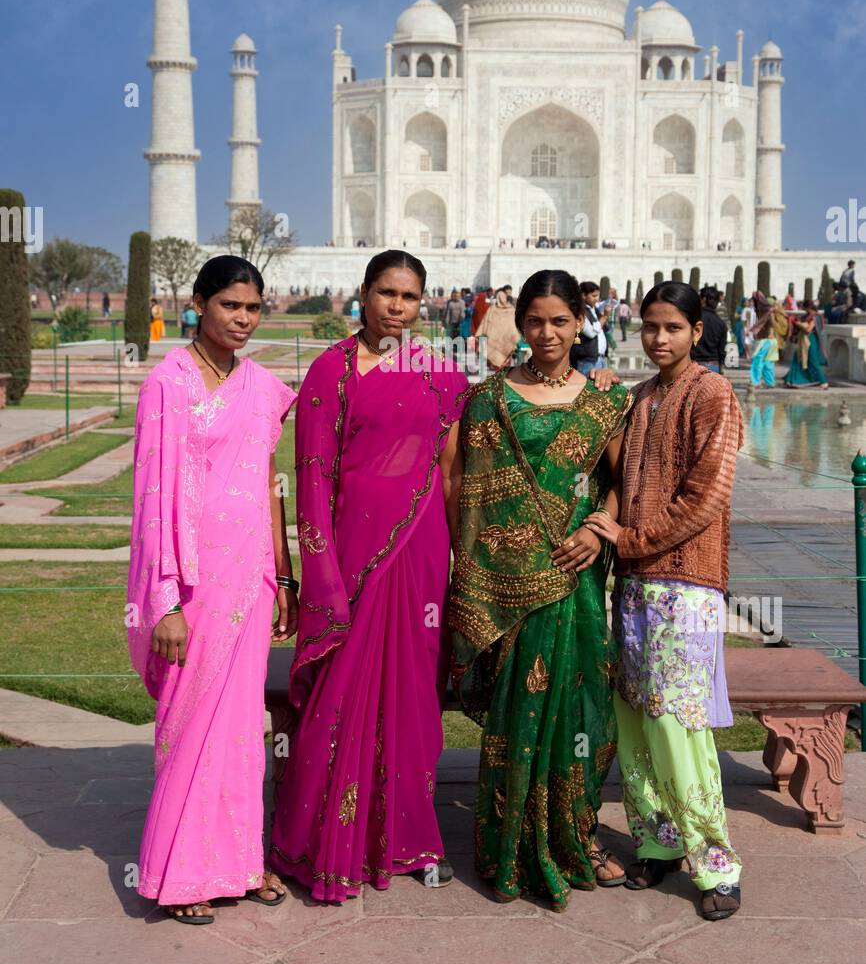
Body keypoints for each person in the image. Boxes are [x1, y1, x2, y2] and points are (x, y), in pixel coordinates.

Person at [267, 251, 468, 902]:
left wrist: (463, 558)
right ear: (364, 293)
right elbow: (313, 475)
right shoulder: (332, 371)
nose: (396, 307)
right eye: (386, 292)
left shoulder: (439, 376)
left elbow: (450, 473)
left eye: (409, 297)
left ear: (422, 305)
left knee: (412, 691)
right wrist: (316, 573)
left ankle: (402, 836)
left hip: (420, 555)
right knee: (338, 695)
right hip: (349, 559)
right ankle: (322, 841)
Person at [448, 270, 633, 910]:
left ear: (580, 322)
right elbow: (464, 493)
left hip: (575, 578)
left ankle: (575, 835)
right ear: (519, 323)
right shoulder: (490, 398)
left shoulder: (606, 401)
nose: (547, 333)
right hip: (509, 587)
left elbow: (618, 484)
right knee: (517, 714)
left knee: (576, 711)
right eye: (535, 321)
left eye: (560, 321)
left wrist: (598, 528)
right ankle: (509, 845)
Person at [128, 255, 298, 923]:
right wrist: (164, 600)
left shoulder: (261, 386)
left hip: (249, 580)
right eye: (231, 305)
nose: (244, 319)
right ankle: (181, 875)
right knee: (187, 725)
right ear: (199, 304)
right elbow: (149, 501)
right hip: (191, 585)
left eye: (253, 308)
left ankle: (241, 862)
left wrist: (282, 574)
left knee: (239, 733)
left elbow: (269, 485)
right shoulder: (166, 385)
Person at [585, 281, 743, 923]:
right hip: (636, 585)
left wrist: (632, 538)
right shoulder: (641, 396)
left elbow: (707, 496)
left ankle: (717, 864)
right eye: (650, 327)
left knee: (679, 725)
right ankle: (658, 841)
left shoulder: (712, 395)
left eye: (672, 328)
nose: (658, 338)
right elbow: (618, 473)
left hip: (686, 583)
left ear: (695, 331)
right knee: (636, 721)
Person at [784, 302, 829, 388]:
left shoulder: (815, 317)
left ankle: (823, 382)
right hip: (803, 340)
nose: (806, 311)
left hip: (810, 341)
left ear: (810, 308)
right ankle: (793, 381)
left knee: (812, 361)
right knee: (798, 359)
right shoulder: (807, 316)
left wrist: (799, 324)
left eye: (807, 309)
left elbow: (808, 330)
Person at [475, 287, 520, 370]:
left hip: (494, 339)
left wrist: (482, 333)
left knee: (496, 362)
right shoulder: (511, 310)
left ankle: (497, 372)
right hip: (507, 339)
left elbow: (485, 323)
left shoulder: (492, 309)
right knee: (505, 362)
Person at [750, 295, 789, 387]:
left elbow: (779, 329)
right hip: (773, 342)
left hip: (767, 341)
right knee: (768, 363)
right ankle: (770, 382)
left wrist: (771, 318)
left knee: (758, 360)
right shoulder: (780, 314)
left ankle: (756, 382)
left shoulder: (772, 314)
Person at [570, 281, 608, 377]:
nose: (597, 299)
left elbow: (604, 329)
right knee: (585, 389)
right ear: (583, 295)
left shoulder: (593, 310)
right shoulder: (580, 311)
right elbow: (590, 332)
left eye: (597, 296)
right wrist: (605, 317)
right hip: (587, 360)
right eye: (594, 296)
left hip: (600, 359)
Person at [692, 286, 727, 373]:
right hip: (714, 365)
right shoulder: (720, 323)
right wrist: (721, 367)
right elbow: (722, 349)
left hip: (695, 364)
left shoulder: (694, 319)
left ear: (703, 299)